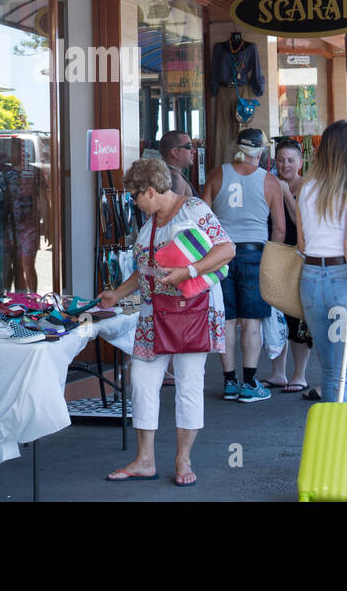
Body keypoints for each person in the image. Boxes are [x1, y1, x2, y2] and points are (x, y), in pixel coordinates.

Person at [98, 158, 235, 487]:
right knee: (142, 382)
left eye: (135, 195)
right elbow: (145, 267)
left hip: (191, 311)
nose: (133, 202)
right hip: (153, 313)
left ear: (150, 190)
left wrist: (188, 272)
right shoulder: (152, 220)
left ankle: (183, 458)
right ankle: (145, 460)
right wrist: (117, 293)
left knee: (188, 383)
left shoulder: (194, 209)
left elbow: (227, 248)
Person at [203, 127, 285, 403]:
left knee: (226, 321)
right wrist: (273, 262)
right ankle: (249, 384)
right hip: (255, 254)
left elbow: (202, 219)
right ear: (261, 152)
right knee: (251, 322)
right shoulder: (270, 181)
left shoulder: (217, 174)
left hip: (221, 255)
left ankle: (229, 383)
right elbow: (281, 230)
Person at [297, 121, 347, 402]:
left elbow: (302, 244)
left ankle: (330, 442)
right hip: (343, 278)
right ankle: (346, 444)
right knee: (346, 374)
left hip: (311, 279)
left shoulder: (307, 186)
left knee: (329, 370)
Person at [260, 139, 318, 398]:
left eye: (290, 160)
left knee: (298, 315)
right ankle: (278, 371)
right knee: (276, 311)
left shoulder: (308, 187)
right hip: (277, 254)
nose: (285, 165)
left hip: (302, 255)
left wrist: (285, 193)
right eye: (280, 160)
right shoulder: (269, 183)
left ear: (300, 163)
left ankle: (299, 374)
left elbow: (305, 224)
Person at [159, 130, 196, 198]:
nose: (193, 151)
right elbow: (173, 208)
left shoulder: (163, 174)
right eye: (189, 146)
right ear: (174, 152)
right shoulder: (175, 177)